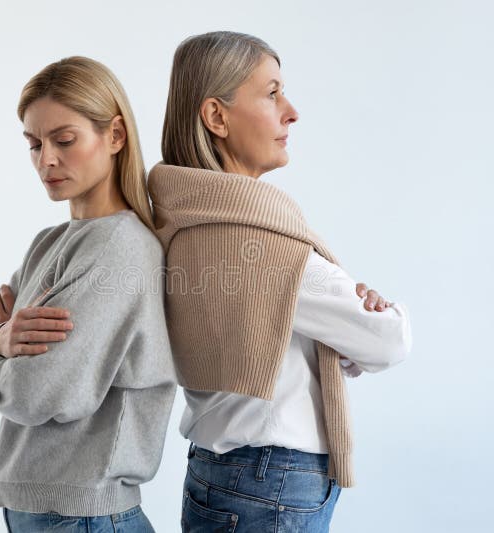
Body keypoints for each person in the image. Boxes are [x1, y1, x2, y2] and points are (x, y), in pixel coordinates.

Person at [148, 31, 413, 532]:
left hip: (216, 471)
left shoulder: (178, 220)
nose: (291, 111)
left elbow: (255, 335)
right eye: (271, 93)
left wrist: (337, 336)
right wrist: (383, 317)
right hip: (271, 482)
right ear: (216, 117)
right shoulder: (263, 245)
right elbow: (388, 342)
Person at [0, 56, 176, 533]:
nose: (45, 159)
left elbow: (39, 393)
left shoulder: (119, 248)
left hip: (86, 516)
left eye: (64, 140)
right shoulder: (48, 244)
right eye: (33, 144)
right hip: (42, 511)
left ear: (115, 135)